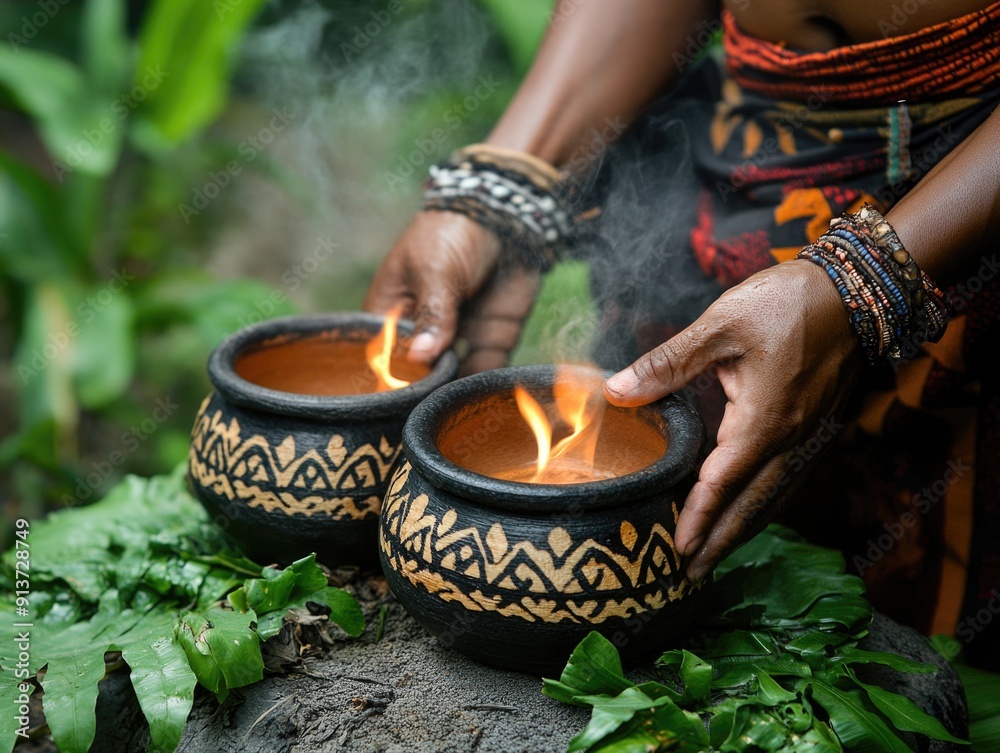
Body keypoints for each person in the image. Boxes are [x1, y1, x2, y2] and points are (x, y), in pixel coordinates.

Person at [364, 0, 1000, 668]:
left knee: (915, 649)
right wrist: (506, 182)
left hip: (965, 219)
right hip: (731, 188)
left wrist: (869, 279)